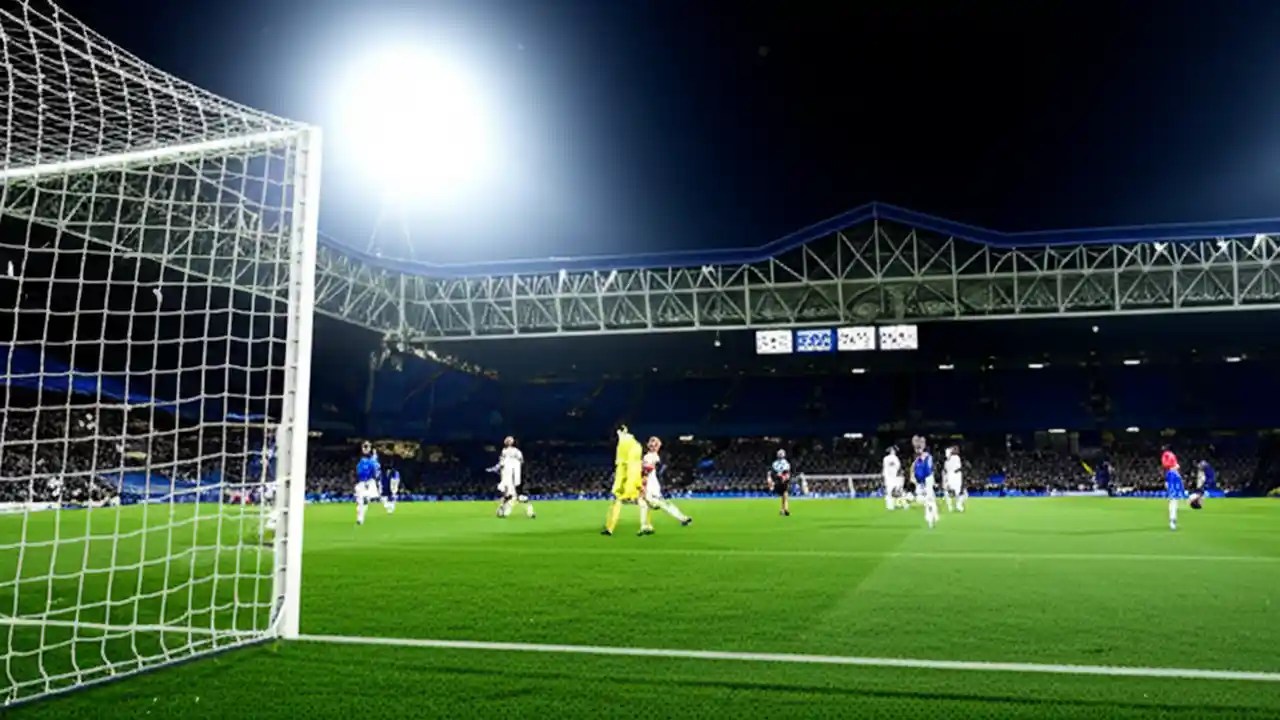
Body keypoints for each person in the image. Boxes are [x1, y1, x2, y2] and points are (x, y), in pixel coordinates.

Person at [637, 436, 692, 535]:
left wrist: (642, 485)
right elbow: (646, 471)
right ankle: (644, 526)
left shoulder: (650, 457)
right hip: (651, 486)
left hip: (650, 486)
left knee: (650, 505)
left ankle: (644, 526)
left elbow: (646, 471)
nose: (657, 446)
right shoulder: (651, 457)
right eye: (656, 445)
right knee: (649, 504)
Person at [602, 425, 643, 536]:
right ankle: (609, 527)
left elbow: (631, 467)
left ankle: (646, 525)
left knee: (642, 501)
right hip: (630, 476)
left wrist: (630, 485)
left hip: (631, 477)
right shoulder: (632, 445)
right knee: (640, 502)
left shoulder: (628, 446)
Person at [491, 436, 534, 519]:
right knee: (512, 496)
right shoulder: (515, 452)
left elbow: (502, 463)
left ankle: (504, 511)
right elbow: (521, 461)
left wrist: (497, 468)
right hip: (513, 478)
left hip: (512, 478)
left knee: (512, 496)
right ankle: (528, 512)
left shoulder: (508, 452)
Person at [912, 435, 939, 529]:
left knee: (929, 499)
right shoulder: (916, 460)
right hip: (922, 481)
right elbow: (915, 472)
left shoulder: (927, 457)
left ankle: (931, 517)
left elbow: (928, 470)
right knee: (923, 499)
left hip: (927, 479)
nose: (917, 451)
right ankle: (933, 515)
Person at [354, 441, 380, 526]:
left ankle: (360, 518)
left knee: (364, 501)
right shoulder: (362, 462)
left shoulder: (371, 461)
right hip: (362, 483)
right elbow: (359, 473)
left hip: (368, 482)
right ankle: (360, 517)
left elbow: (374, 472)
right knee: (360, 502)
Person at [1162, 445, 1185, 530]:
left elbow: (1165, 464)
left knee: (1173, 502)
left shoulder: (1167, 456)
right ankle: (1172, 520)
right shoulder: (1173, 472)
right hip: (1172, 481)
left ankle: (1173, 520)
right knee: (1173, 501)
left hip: (1172, 480)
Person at [768, 449, 792, 516]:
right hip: (783, 480)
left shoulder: (774, 463)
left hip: (777, 479)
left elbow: (772, 472)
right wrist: (785, 477)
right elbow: (787, 472)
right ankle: (785, 509)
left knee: (783, 495)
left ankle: (783, 509)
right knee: (785, 494)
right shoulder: (786, 463)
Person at [943, 446, 966, 513]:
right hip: (954, 476)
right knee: (956, 492)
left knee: (954, 492)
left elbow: (958, 468)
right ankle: (956, 505)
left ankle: (954, 505)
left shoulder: (951, 459)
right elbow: (958, 468)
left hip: (954, 475)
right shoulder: (954, 459)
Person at [882, 446, 902, 511]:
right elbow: (898, 467)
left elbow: (897, 467)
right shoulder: (894, 458)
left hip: (890, 476)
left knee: (891, 491)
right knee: (892, 491)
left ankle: (893, 505)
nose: (894, 452)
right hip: (891, 476)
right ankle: (891, 505)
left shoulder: (886, 458)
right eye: (893, 450)